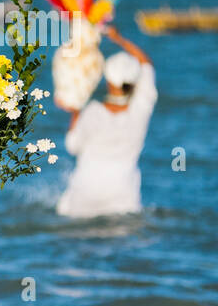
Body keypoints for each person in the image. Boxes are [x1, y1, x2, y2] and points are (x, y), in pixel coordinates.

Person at [56, 27, 158, 218]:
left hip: (83, 198)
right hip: (123, 199)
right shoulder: (141, 109)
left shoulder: (92, 112)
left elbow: (71, 145)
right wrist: (119, 38)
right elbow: (147, 65)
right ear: (134, 82)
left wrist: (74, 109)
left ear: (108, 81)